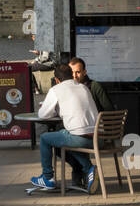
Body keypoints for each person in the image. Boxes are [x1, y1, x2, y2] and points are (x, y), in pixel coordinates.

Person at [29, 62, 99, 194]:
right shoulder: (83, 87)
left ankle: (47, 177)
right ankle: (87, 169)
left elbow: (43, 114)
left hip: (80, 138)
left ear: (56, 80)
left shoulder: (56, 90)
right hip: (97, 137)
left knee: (45, 139)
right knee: (61, 136)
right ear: (71, 75)